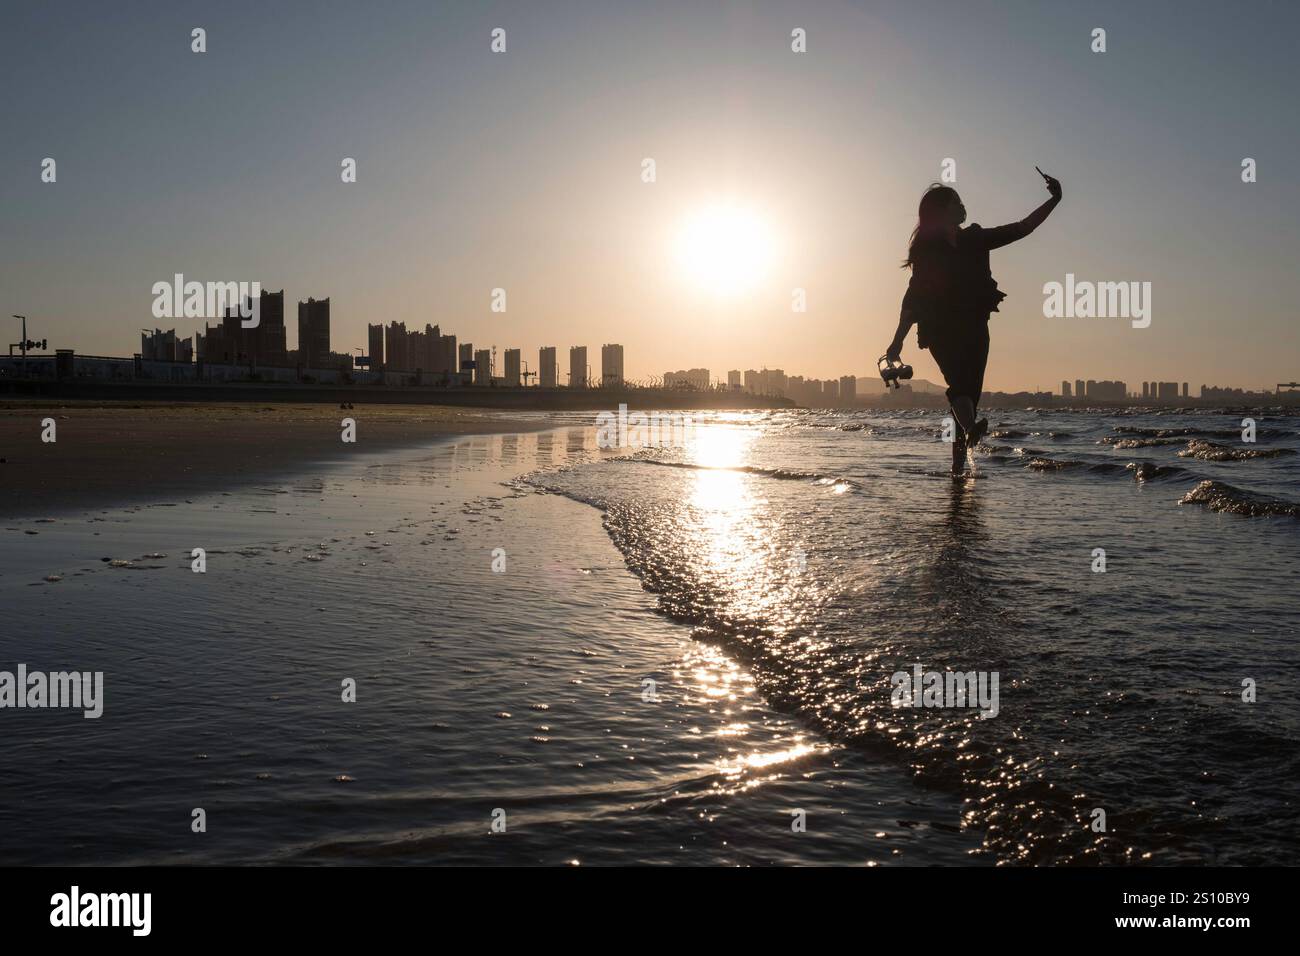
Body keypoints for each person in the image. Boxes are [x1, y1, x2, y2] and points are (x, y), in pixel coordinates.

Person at [886, 174, 1062, 475]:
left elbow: (1022, 228)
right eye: (957, 203)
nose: (963, 206)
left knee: (966, 394)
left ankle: (958, 464)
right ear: (943, 211)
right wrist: (897, 340)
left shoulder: (975, 238)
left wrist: (1054, 200)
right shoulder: (930, 251)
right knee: (961, 387)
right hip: (941, 328)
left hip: (973, 327)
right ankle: (968, 436)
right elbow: (913, 298)